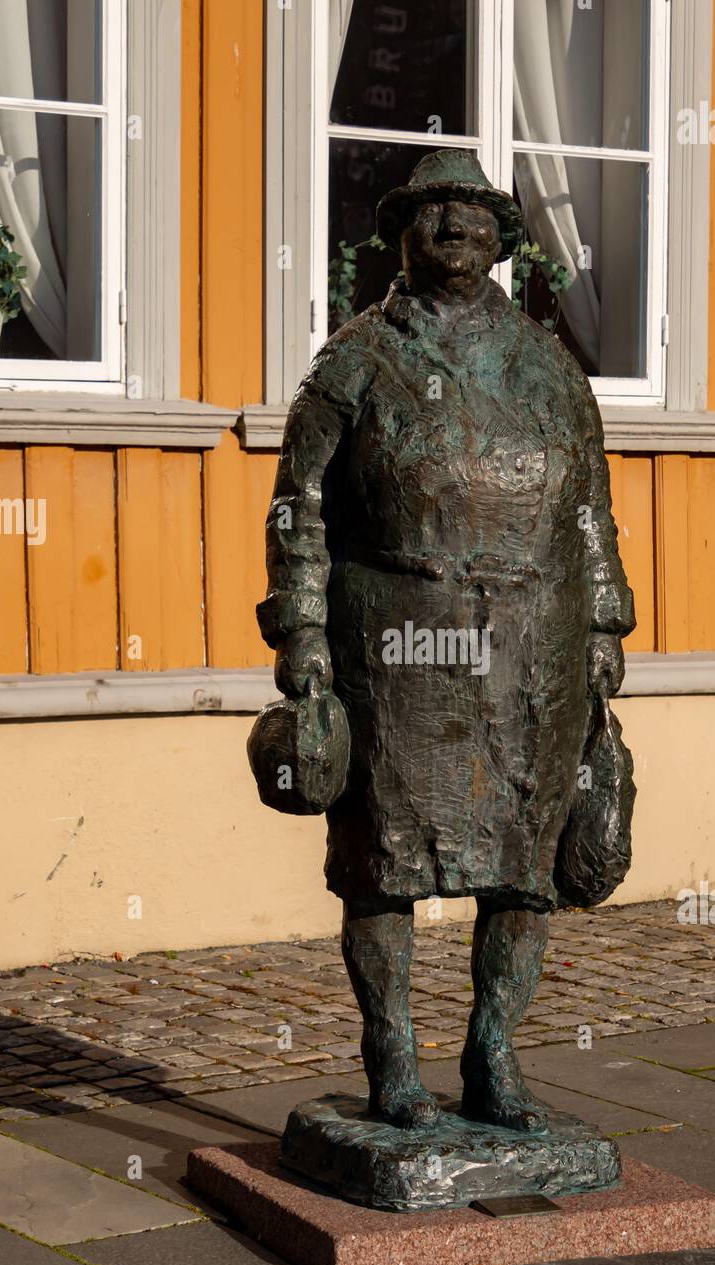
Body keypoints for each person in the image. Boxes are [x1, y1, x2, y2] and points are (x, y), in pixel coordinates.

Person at [257, 149, 635, 1132]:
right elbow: (299, 508)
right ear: (400, 234)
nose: (456, 225)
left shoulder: (551, 369)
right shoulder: (352, 361)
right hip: (395, 641)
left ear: (505, 238)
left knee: (525, 862)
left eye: (473, 209)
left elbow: (590, 510)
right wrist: (301, 628)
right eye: (433, 210)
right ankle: (390, 1056)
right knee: (384, 858)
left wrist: (602, 621)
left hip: (531, 645)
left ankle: (493, 1053)